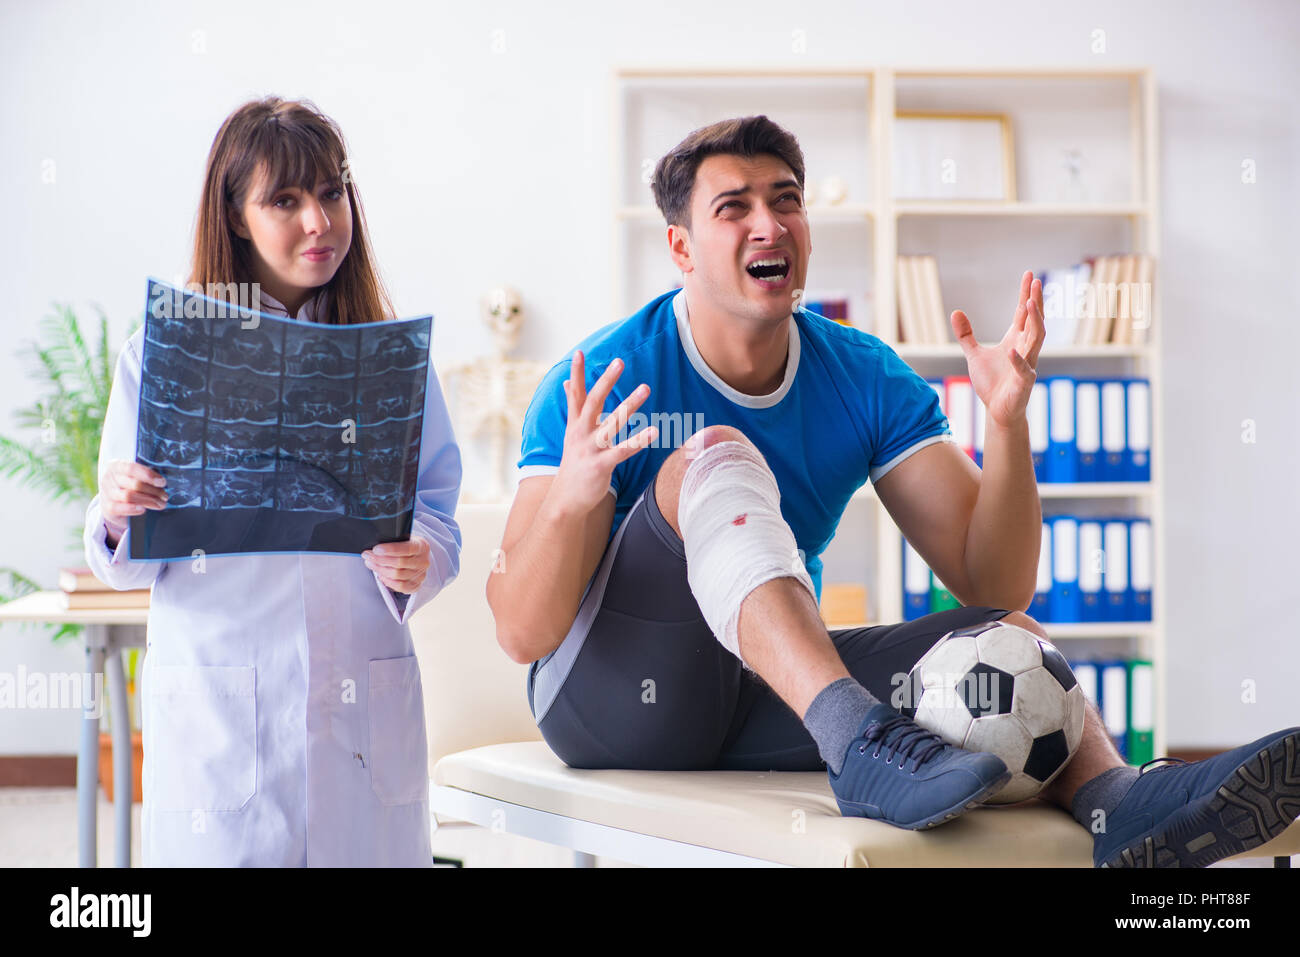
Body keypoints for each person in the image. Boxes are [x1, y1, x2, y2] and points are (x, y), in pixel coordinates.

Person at [488, 115, 1300, 868]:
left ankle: (1119, 803)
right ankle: (856, 740)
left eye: (786, 201)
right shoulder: (603, 380)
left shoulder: (859, 372)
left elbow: (993, 583)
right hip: (610, 705)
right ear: (681, 246)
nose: (769, 224)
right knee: (712, 454)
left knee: (1005, 633)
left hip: (760, 698)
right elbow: (523, 632)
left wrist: (1008, 427)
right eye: (734, 207)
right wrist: (572, 496)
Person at [84, 97, 462, 867]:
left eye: (331, 192)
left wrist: (421, 554)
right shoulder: (158, 358)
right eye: (285, 200)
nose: (319, 221)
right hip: (222, 712)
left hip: (361, 704)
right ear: (235, 217)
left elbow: (439, 513)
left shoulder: (393, 361)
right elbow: (122, 549)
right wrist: (119, 510)